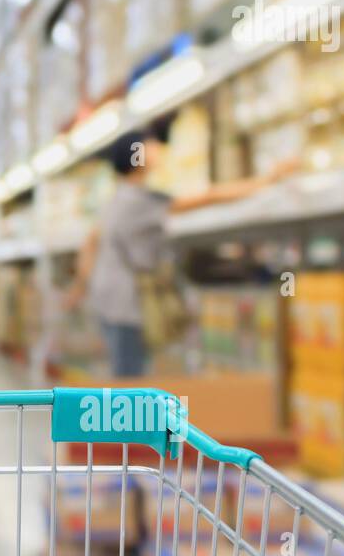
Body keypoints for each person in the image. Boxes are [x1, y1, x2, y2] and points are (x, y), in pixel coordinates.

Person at [65, 122, 294, 376]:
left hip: (109, 299)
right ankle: (126, 417)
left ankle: (124, 415)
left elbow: (91, 241)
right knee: (128, 383)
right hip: (127, 302)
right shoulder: (141, 200)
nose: (157, 149)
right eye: (149, 145)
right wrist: (268, 179)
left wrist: (81, 284)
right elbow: (208, 196)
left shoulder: (117, 198)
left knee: (124, 373)